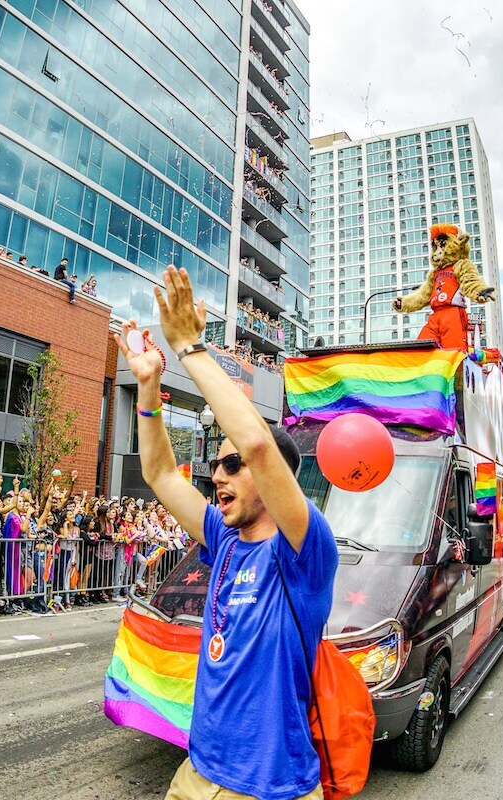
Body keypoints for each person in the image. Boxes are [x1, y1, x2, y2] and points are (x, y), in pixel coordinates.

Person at [118, 265, 336, 800]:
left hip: (268, 788)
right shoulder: (223, 536)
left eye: (232, 464)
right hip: (196, 774)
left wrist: (191, 346)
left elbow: (260, 445)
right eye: (217, 465)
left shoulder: (305, 551)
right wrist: (148, 386)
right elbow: (161, 474)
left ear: (270, 478)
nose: (218, 475)